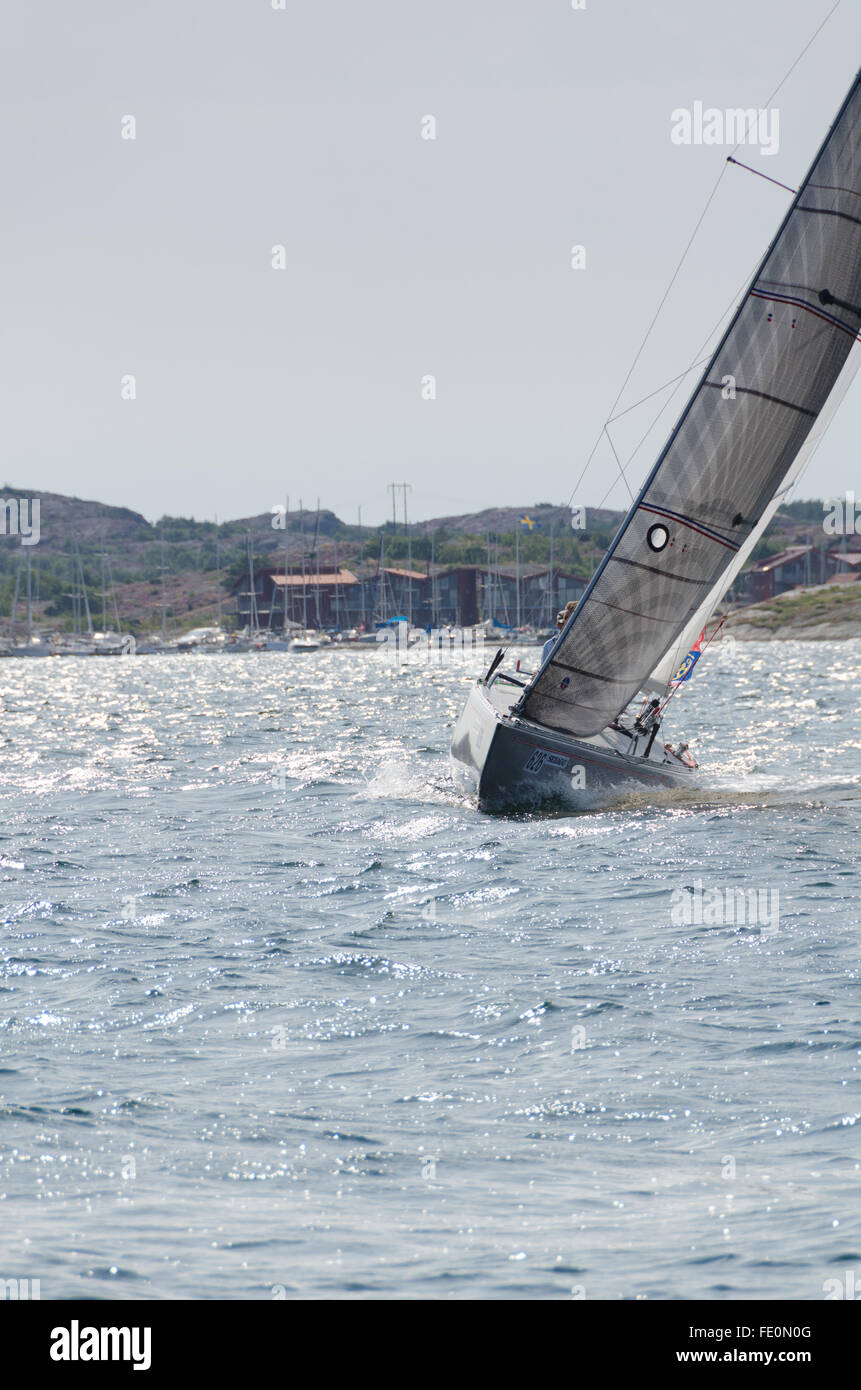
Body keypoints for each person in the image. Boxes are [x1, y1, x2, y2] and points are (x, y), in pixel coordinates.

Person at [541, 599, 577, 665]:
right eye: (560, 623)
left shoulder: (588, 640)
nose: (560, 626)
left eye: (567, 619)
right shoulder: (549, 645)